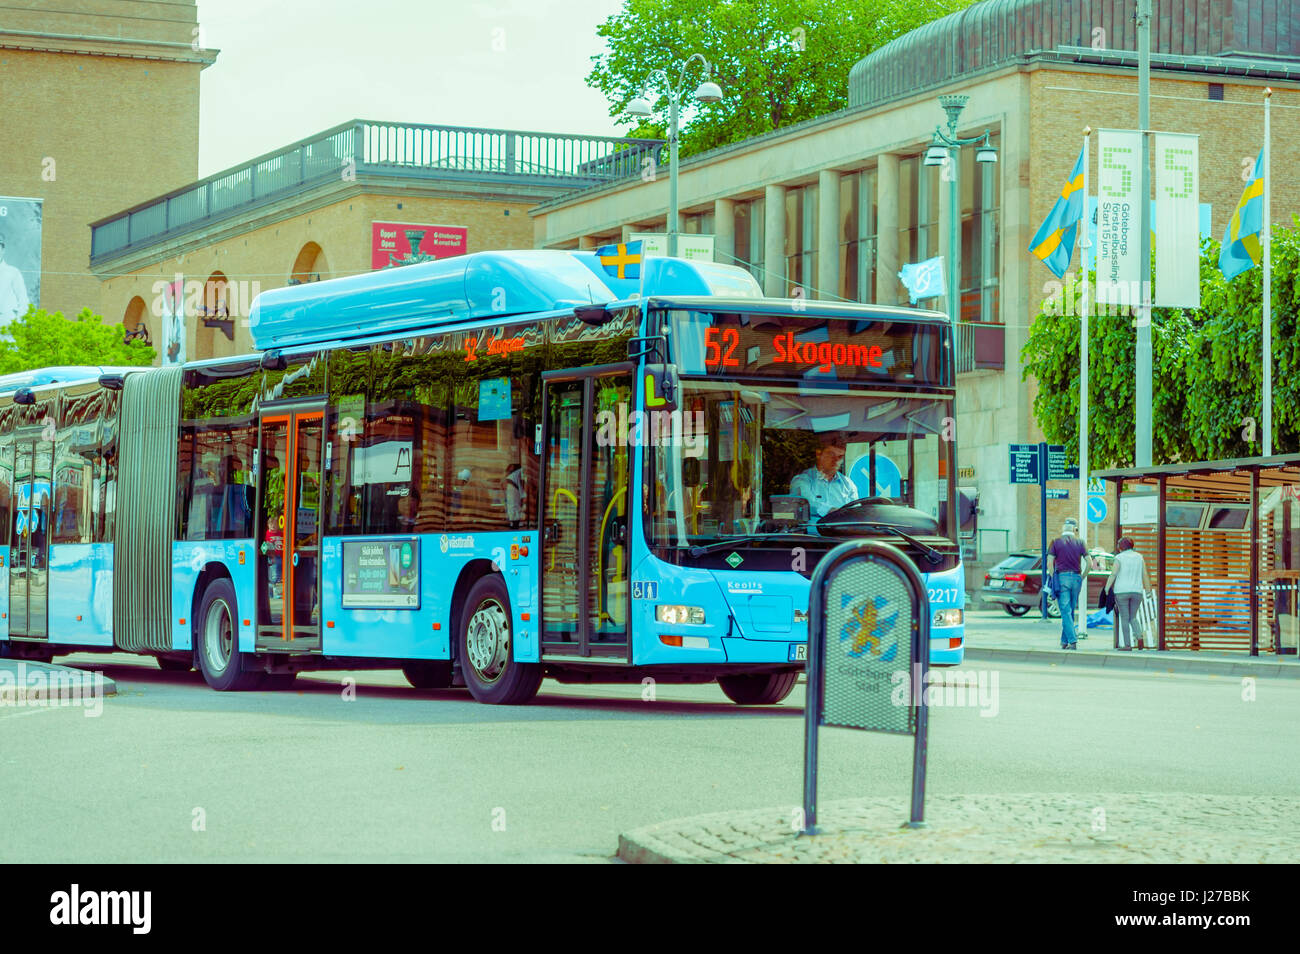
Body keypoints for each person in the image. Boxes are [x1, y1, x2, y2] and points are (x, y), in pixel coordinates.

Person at [789, 434, 859, 522]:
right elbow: (805, 503)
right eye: (831, 455)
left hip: (843, 534)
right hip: (811, 534)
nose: (836, 460)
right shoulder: (802, 480)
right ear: (819, 454)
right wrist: (830, 511)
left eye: (840, 457)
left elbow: (855, 514)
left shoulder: (848, 485)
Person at [1046, 518, 1091, 649]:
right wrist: (1083, 576)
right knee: (1069, 610)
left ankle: (1072, 640)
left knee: (1065, 611)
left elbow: (1049, 563)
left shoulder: (1055, 542)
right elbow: (1089, 562)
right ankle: (1064, 641)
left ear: (1063, 529)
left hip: (1062, 577)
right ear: (1074, 530)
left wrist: (1053, 576)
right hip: (1076, 578)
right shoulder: (1081, 542)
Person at [1103, 537, 1153, 651]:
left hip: (1122, 591)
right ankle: (1139, 637)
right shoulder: (1139, 557)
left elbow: (1114, 574)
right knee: (1133, 617)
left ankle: (1127, 645)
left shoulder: (1119, 558)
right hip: (1137, 591)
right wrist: (1148, 590)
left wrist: (1107, 588)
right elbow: (1144, 575)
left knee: (1124, 618)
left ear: (1121, 547)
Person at [0, 233, 30, 327]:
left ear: (3, 250)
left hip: (7, 321)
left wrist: (18, 321)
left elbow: (23, 299)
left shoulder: (13, 272)